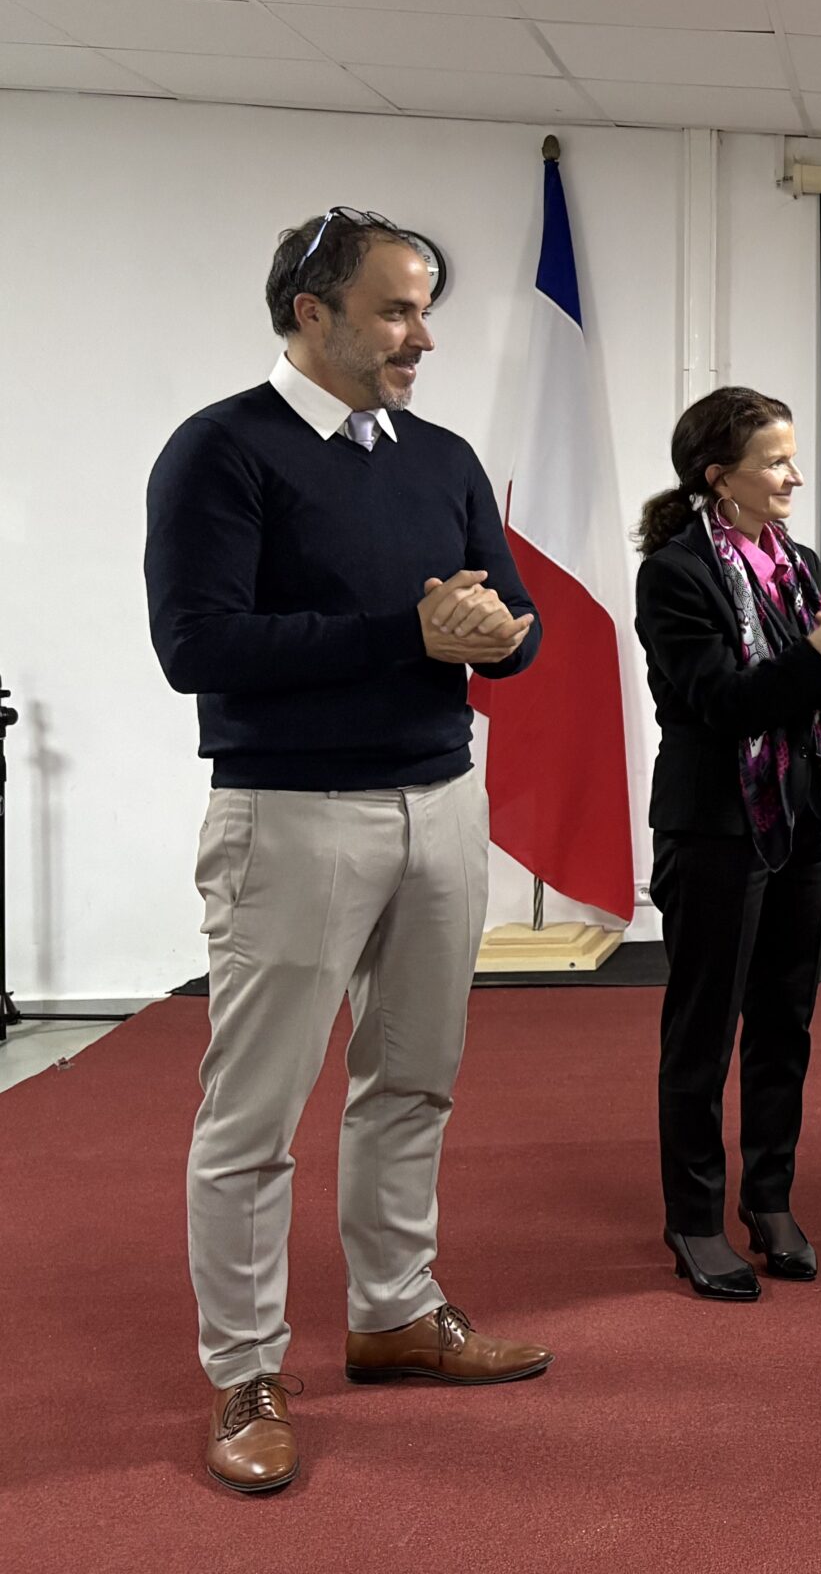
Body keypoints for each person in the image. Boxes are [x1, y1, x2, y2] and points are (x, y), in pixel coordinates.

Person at [145, 207, 552, 1498]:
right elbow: (197, 649)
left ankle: (393, 1311)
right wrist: (410, 637)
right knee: (254, 1119)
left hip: (441, 803)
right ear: (309, 312)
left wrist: (503, 637)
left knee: (414, 1078)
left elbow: (514, 622)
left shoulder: (442, 457)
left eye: (425, 310)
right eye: (394, 310)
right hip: (290, 813)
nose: (422, 337)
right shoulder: (219, 453)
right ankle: (246, 1372)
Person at [634, 387, 821, 1300]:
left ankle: (771, 1199)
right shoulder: (674, 573)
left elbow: (813, 700)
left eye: (793, 457)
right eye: (775, 461)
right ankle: (697, 1220)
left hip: (800, 808)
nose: (793, 475)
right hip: (714, 821)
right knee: (704, 1028)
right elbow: (725, 703)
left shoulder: (800, 562)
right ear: (721, 478)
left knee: (786, 1018)